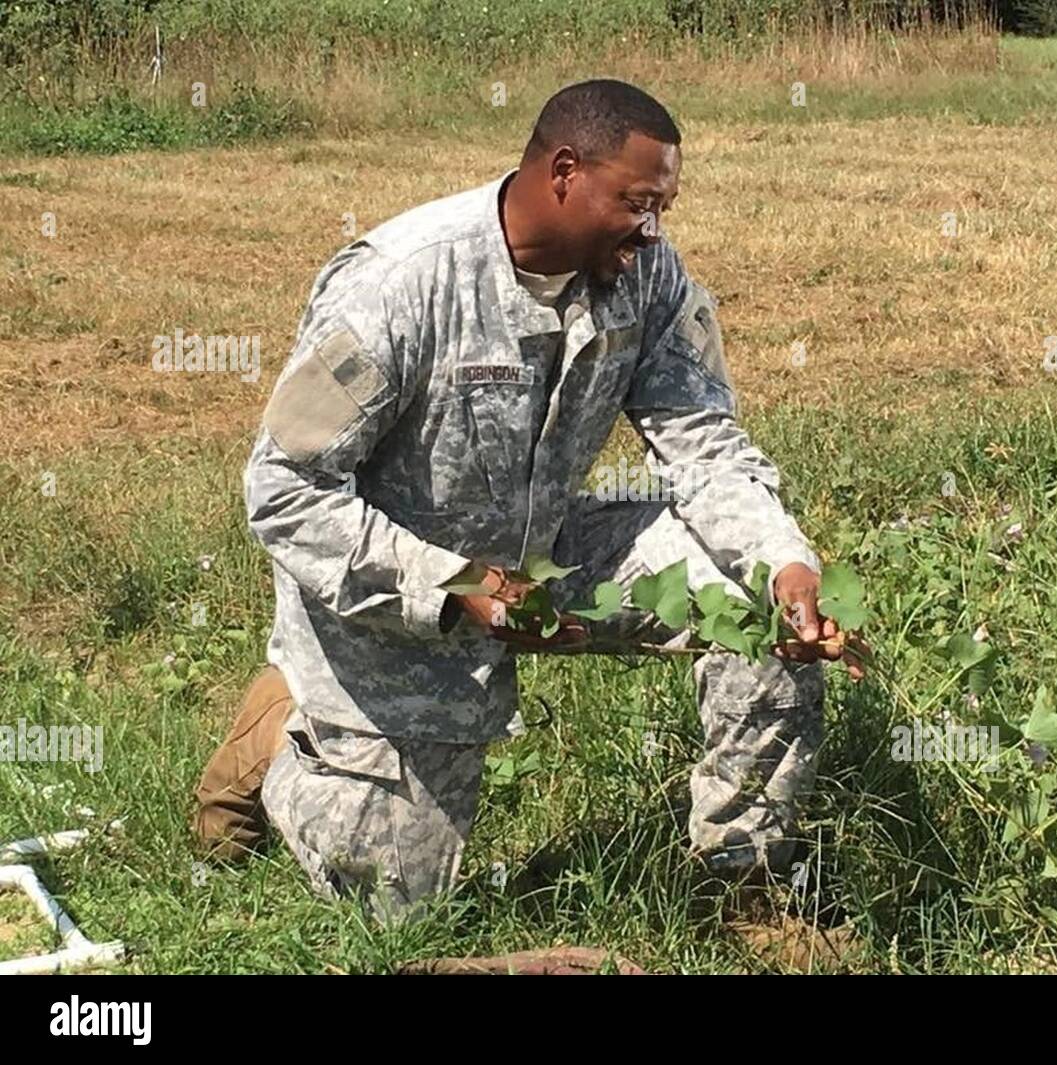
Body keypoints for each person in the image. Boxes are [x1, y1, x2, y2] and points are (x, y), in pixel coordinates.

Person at [193, 78, 863, 965]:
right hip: (391, 598)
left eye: (663, 205)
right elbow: (285, 489)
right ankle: (286, 736)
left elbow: (701, 439)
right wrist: (455, 584)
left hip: (544, 552)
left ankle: (743, 881)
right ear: (562, 172)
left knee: (755, 610)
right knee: (401, 908)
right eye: (636, 202)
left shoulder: (646, 274)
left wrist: (783, 562)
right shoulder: (400, 284)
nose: (653, 228)